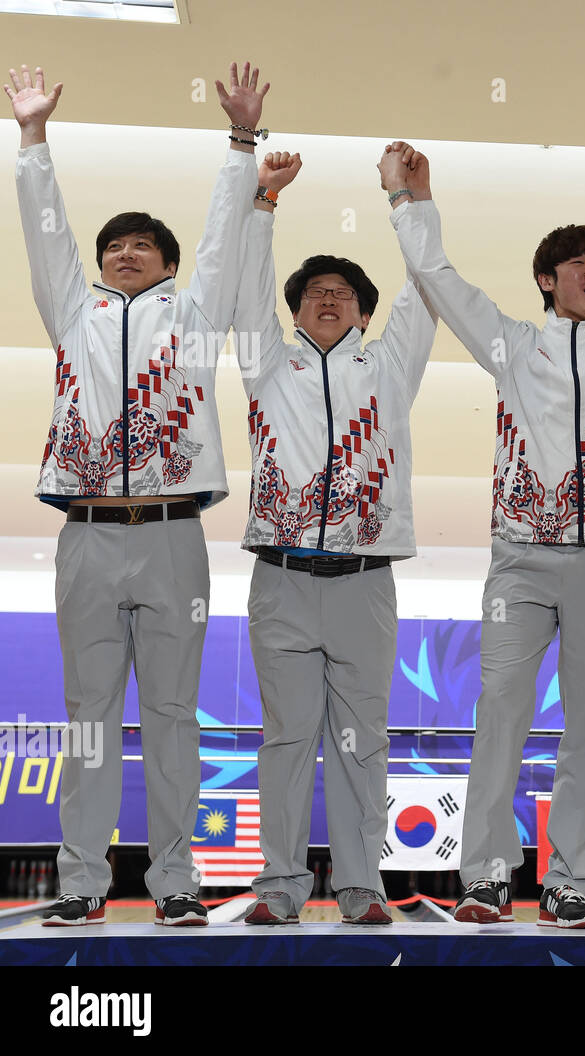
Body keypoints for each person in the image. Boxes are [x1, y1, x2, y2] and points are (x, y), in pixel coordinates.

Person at [385, 134, 585, 928]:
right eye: (578, 263)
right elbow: (439, 279)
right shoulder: (513, 345)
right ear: (547, 280)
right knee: (502, 708)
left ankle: (570, 878)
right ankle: (488, 877)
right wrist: (411, 202)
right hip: (521, 561)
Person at [8, 61, 266, 927]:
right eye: (113, 244)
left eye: (140, 245)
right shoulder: (72, 315)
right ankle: (80, 883)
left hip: (171, 535)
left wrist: (239, 144)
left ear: (168, 265)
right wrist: (33, 139)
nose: (123, 252)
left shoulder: (196, 316)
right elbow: (47, 238)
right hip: (83, 533)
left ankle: (176, 884)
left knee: (170, 717)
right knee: (87, 718)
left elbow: (228, 240)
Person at [234, 148, 438, 926]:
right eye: (315, 292)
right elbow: (248, 292)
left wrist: (409, 200)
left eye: (344, 293)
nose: (329, 298)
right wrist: (261, 204)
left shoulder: (390, 366)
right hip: (280, 578)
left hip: (365, 581)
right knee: (287, 742)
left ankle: (360, 888)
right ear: (295, 311)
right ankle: (280, 889)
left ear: (362, 312)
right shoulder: (266, 364)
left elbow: (424, 293)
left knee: (361, 744)